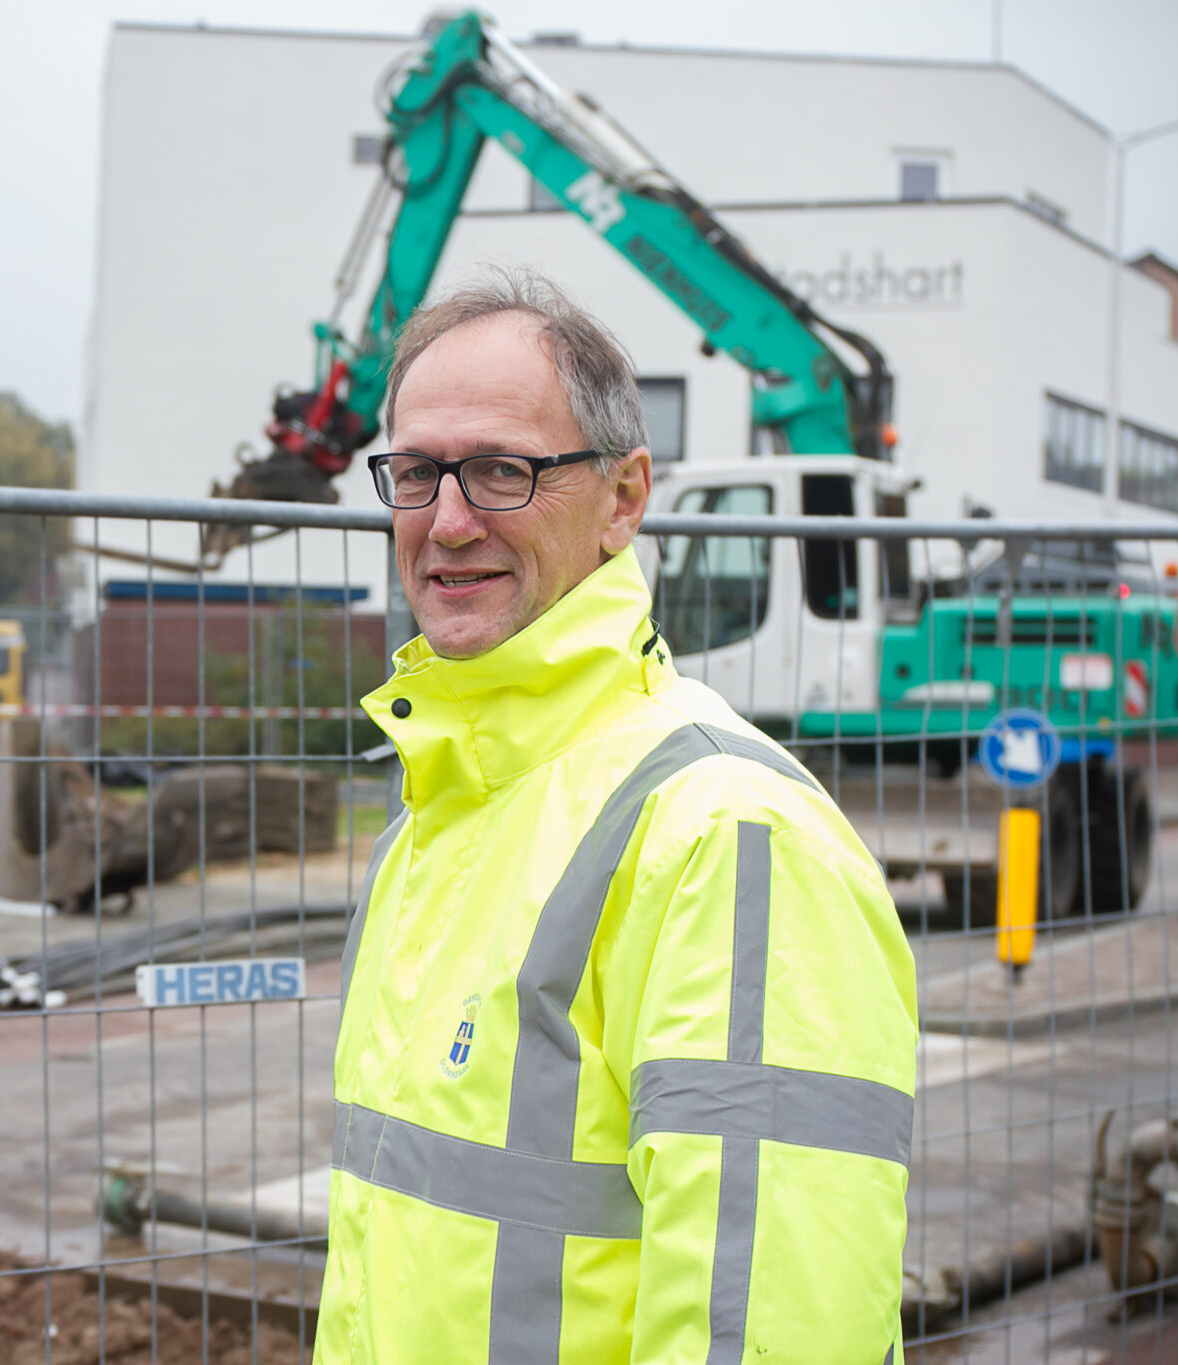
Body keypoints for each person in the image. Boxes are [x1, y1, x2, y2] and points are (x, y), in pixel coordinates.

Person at [318, 270, 917, 1364]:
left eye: (502, 471)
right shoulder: (436, 816)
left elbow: (769, 1333)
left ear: (623, 498)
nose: (446, 522)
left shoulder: (724, 833)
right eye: (414, 474)